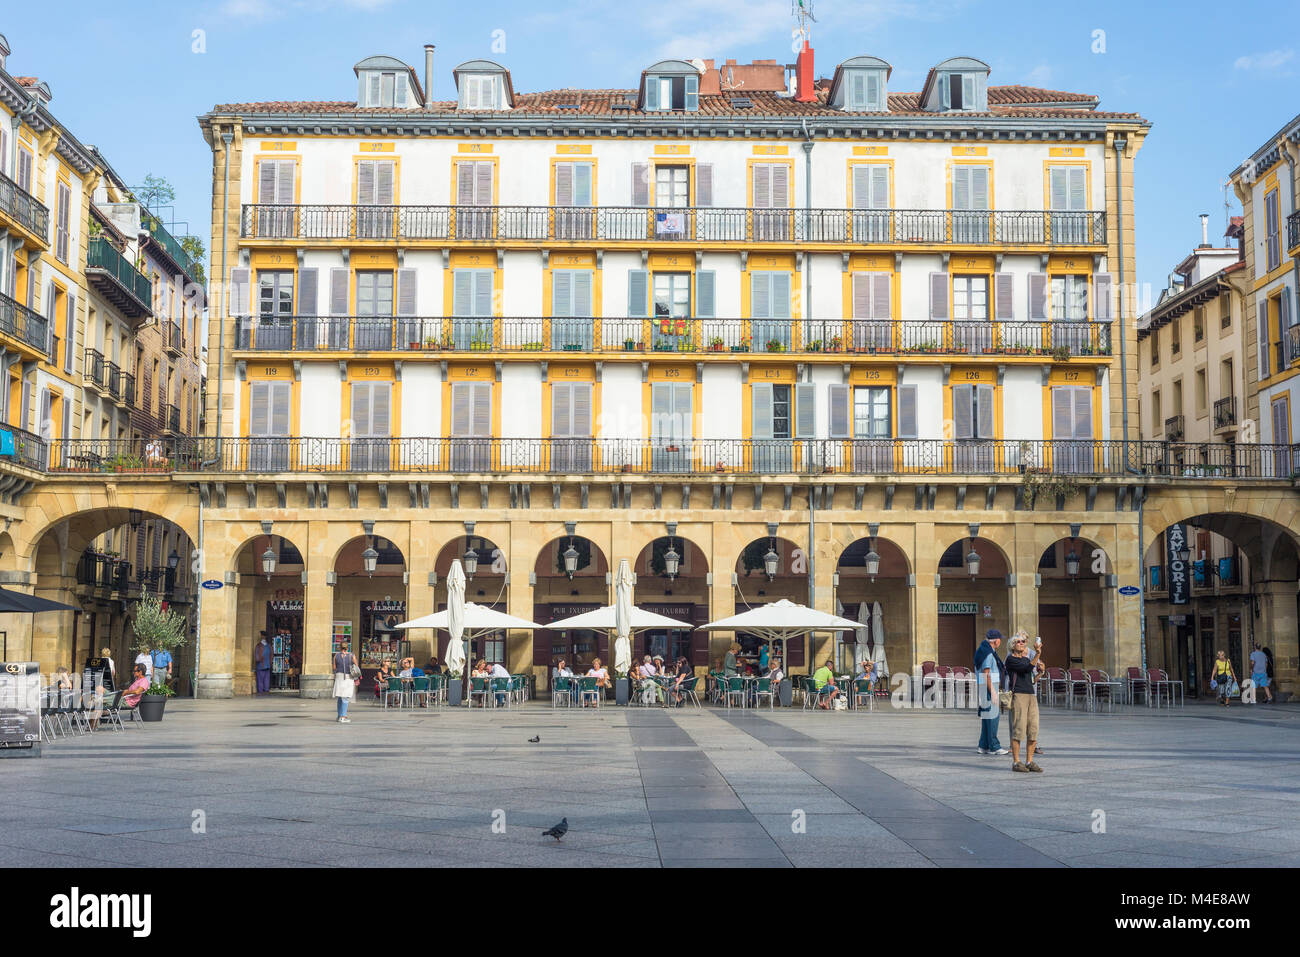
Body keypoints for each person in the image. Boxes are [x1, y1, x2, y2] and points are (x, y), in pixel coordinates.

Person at [1005, 635, 1043, 773]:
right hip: (1019, 695)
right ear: (1012, 646)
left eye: (1023, 641)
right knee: (1018, 729)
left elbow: (1032, 679)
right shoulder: (1011, 659)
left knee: (1033, 729)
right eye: (1018, 642)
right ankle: (1016, 762)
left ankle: (1029, 761)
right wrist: (1038, 654)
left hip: (1031, 695)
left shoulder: (1027, 660)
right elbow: (1026, 669)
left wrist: (1041, 672)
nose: (1021, 643)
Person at [975, 629, 1009, 755]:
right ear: (997, 641)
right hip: (989, 687)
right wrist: (994, 692)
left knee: (986, 717)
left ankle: (983, 745)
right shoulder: (989, 654)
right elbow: (986, 674)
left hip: (985, 687)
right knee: (993, 717)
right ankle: (995, 746)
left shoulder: (982, 651)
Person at [332, 646, 357, 723]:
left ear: (340, 647)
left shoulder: (336, 655)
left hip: (339, 677)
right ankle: (343, 716)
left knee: (340, 697)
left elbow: (334, 667)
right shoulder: (352, 655)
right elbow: (356, 666)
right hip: (348, 677)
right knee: (345, 697)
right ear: (347, 647)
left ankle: (339, 716)